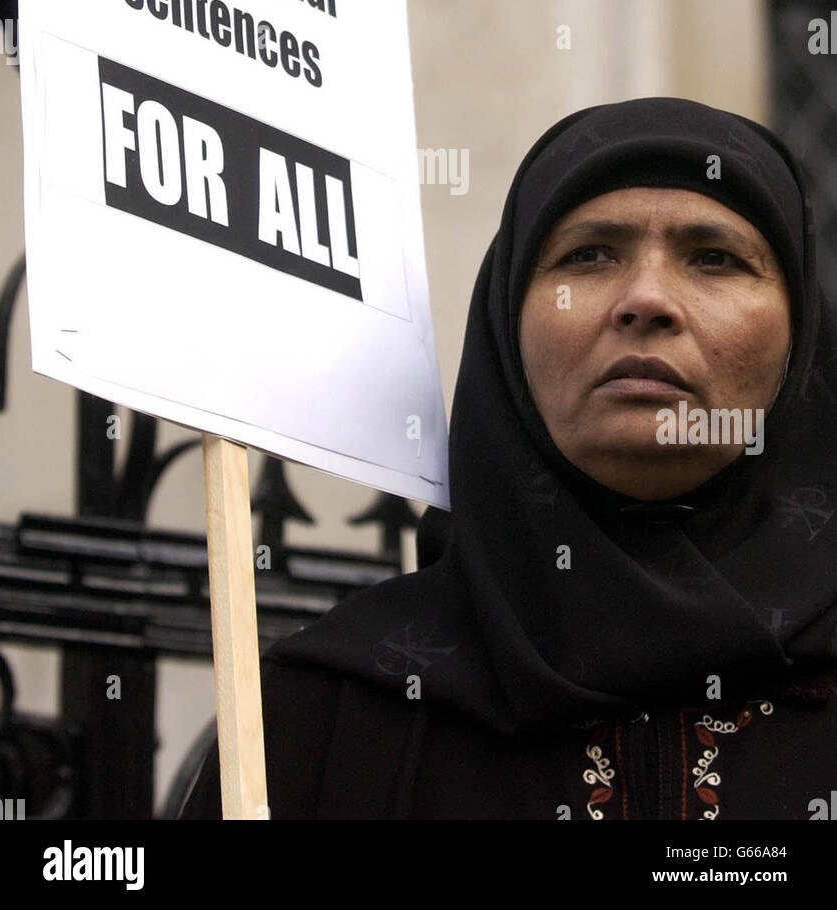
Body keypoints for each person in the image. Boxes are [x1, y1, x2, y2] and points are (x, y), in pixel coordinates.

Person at [180, 97, 837, 820]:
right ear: (506, 318)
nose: (647, 299)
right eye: (589, 255)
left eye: (714, 258)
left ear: (799, 333)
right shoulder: (322, 713)